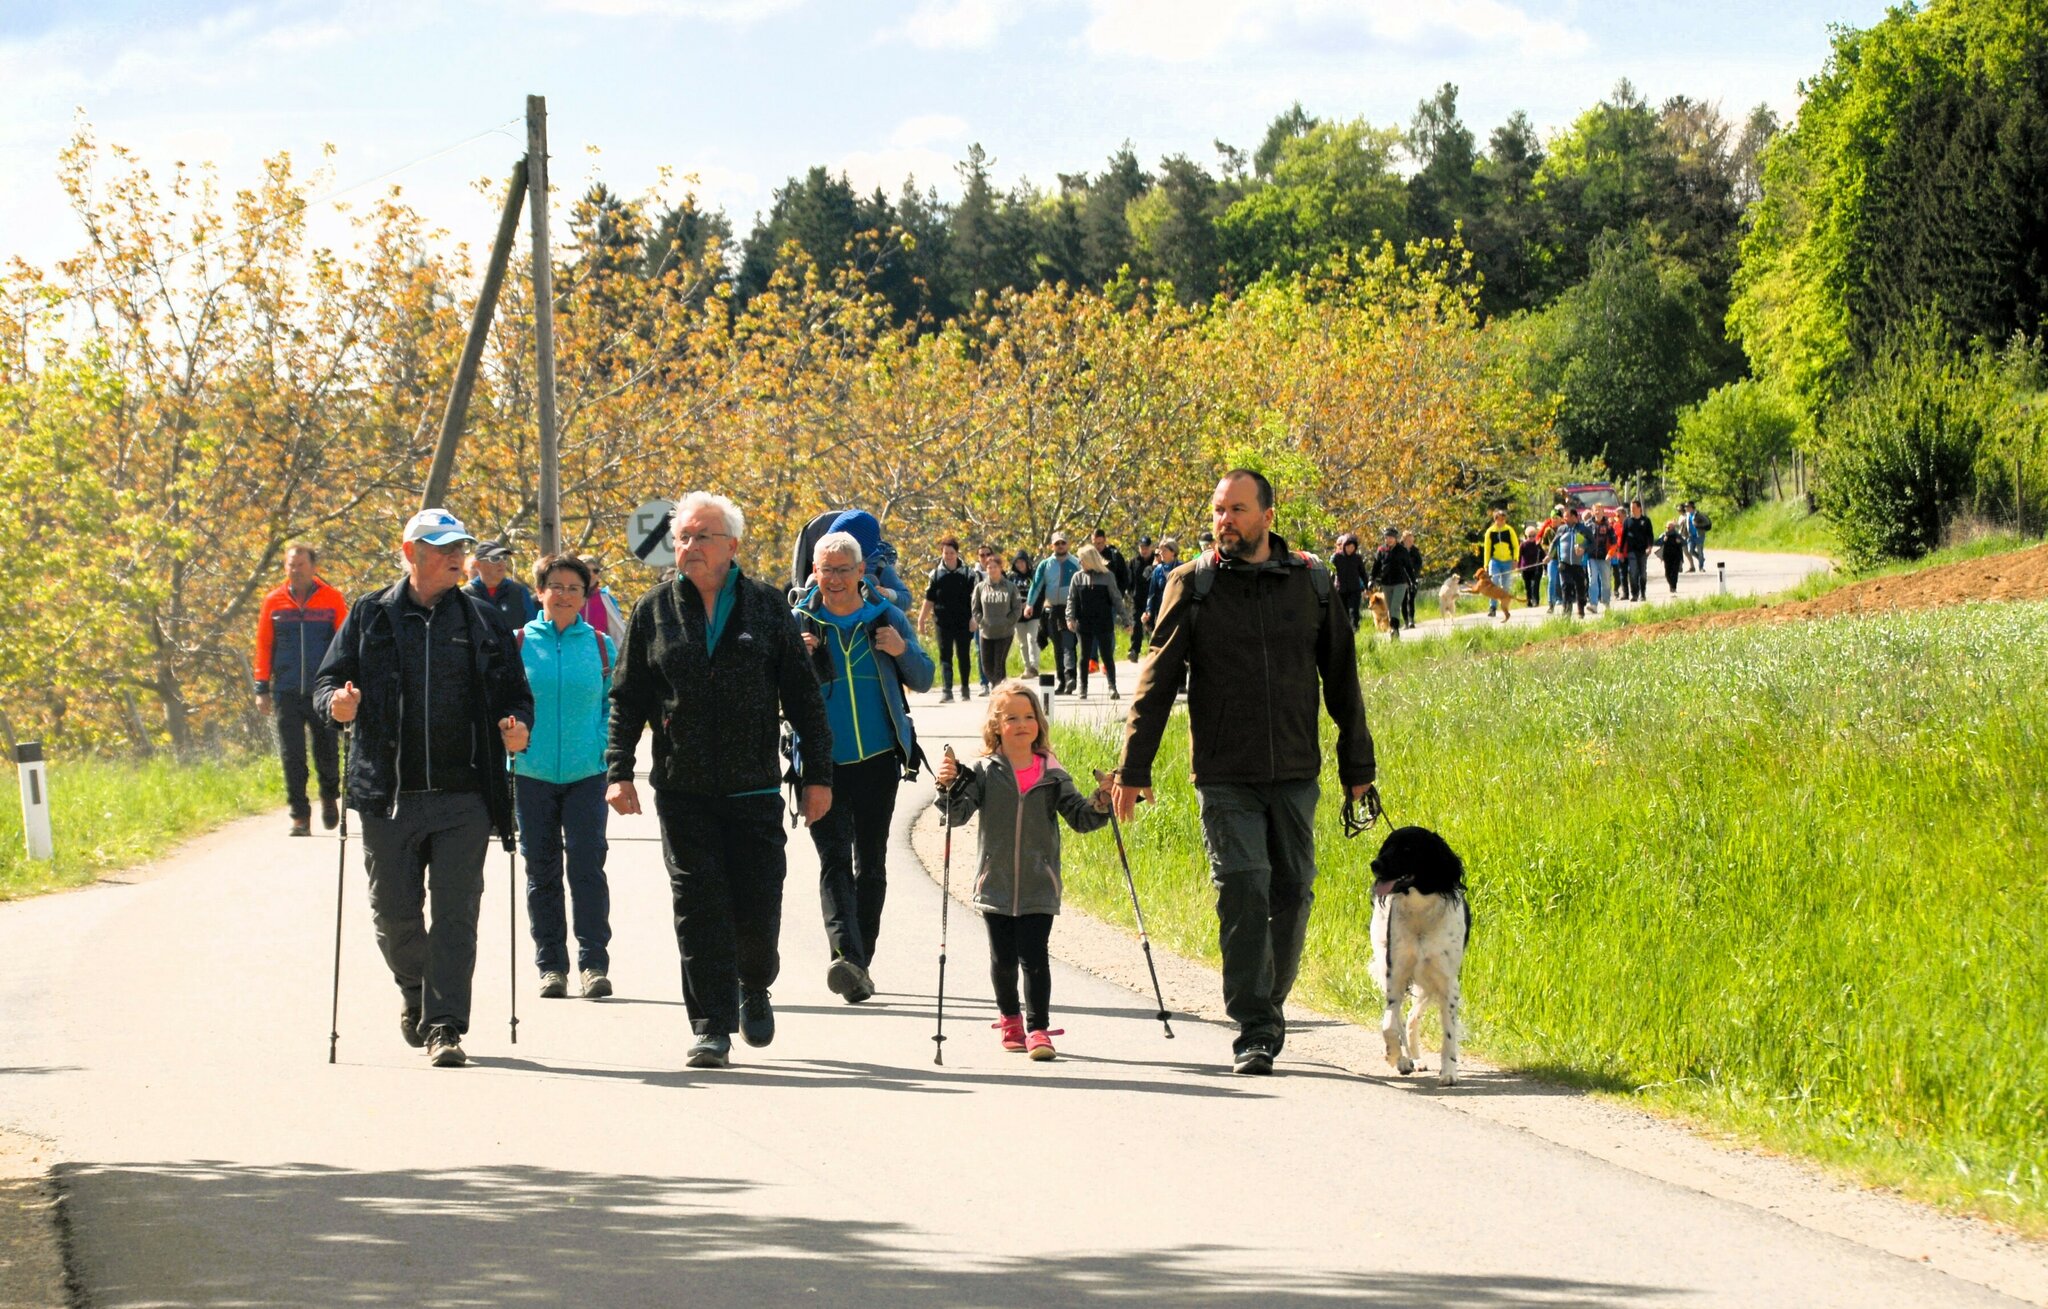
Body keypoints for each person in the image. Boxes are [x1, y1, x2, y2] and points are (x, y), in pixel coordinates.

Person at [1115, 469, 1375, 1076]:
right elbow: (1156, 682)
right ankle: (1254, 1026)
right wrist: (1134, 767)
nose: (1224, 520)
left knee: (1294, 892)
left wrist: (1357, 766)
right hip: (1224, 773)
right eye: (1218, 510)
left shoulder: (1311, 583)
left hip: (1295, 771)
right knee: (1243, 885)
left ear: (1267, 516)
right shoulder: (1193, 585)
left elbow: (1343, 680)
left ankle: (1269, 1004)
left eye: (1236, 509)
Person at [605, 492, 834, 1069]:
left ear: (731, 545)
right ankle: (710, 1027)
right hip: (681, 789)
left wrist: (818, 776)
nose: (689, 547)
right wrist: (618, 770)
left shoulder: (765, 607)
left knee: (757, 904)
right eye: (681, 537)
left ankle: (754, 982)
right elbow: (628, 697)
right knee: (697, 904)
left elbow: (804, 698)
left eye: (701, 536)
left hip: (753, 787)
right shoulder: (653, 610)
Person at [315, 508, 534, 1069]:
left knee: (457, 915)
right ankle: (416, 990)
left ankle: (444, 1025)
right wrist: (337, 705)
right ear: (410, 553)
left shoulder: (483, 620)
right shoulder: (370, 614)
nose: (458, 557)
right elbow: (326, 682)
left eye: (461, 547)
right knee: (394, 916)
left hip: (465, 796)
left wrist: (518, 727)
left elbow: (516, 693)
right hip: (388, 795)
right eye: (444, 548)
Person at [791, 530, 932, 1002]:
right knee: (833, 861)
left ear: (860, 572)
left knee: (870, 865)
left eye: (843, 570)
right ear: (814, 572)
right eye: (825, 570)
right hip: (821, 766)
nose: (834, 579)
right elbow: (772, 691)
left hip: (878, 761)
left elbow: (924, 677)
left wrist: (901, 649)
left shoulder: (886, 617)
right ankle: (845, 956)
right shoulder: (799, 623)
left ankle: (858, 962)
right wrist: (797, 661)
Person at [937, 680, 1111, 1061]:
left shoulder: (1052, 773)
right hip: (994, 884)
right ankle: (1010, 1019)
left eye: (1029, 716)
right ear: (996, 726)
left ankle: (1038, 1029)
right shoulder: (983, 771)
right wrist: (947, 787)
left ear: (1039, 723)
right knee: (1003, 960)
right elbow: (957, 815)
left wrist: (1102, 800)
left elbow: (1080, 817)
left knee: (1034, 957)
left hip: (1038, 884)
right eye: (1012, 718)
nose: (1021, 724)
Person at [516, 553, 617, 1002]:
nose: (564, 595)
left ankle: (594, 964)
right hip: (531, 773)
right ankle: (551, 966)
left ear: (585, 595)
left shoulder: (600, 646)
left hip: (587, 774)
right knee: (541, 872)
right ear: (539, 592)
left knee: (587, 868)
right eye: (555, 586)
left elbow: (614, 705)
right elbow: (502, 700)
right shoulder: (518, 643)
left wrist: (601, 745)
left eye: (574, 588)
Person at [253, 542, 348, 836]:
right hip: (286, 690)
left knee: (327, 752)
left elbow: (344, 643)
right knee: (292, 755)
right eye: (290, 565)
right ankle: (299, 816)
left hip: (323, 691)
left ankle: (329, 797)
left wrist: (346, 682)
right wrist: (261, 687)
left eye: (300, 565)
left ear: (313, 567)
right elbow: (264, 644)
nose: (295, 570)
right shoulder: (273, 601)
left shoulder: (332, 599)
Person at [919, 537, 977, 702]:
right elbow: (929, 599)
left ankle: (965, 688)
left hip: (964, 621)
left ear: (957, 553)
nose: (949, 556)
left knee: (963, 654)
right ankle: (947, 690)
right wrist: (921, 620)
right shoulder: (936, 575)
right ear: (942, 554)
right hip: (942, 622)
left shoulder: (968, 573)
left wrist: (975, 618)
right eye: (946, 553)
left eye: (952, 553)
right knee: (945, 655)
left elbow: (976, 599)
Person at [1066, 543, 1127, 699]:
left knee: (1107, 656)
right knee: (1084, 656)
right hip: (1083, 623)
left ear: (1090, 559)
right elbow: (1071, 599)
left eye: (1082, 559)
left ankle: (1112, 687)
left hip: (1103, 622)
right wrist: (1070, 617)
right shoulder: (1077, 577)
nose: (1080, 562)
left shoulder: (1108, 576)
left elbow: (1117, 599)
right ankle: (1083, 687)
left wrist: (1126, 621)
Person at [1024, 532, 1081, 694]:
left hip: (1070, 608)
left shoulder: (1076, 563)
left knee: (1068, 644)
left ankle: (1071, 677)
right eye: (1057, 543)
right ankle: (1062, 681)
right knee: (1058, 646)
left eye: (1063, 543)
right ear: (1052, 546)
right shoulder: (1045, 565)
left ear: (1068, 544)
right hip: (1052, 610)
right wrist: (1029, 604)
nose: (1060, 546)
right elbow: (1036, 585)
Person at [828, 510, 912, 607]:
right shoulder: (825, 561)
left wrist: (888, 594)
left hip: (869, 613)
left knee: (870, 580)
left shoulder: (880, 567)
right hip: (830, 608)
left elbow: (906, 597)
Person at [971, 548, 1022, 690]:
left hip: (1005, 632)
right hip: (986, 632)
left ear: (1001, 568)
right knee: (987, 667)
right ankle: (1001, 687)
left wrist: (1008, 622)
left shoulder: (1010, 587)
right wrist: (982, 622)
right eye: (989, 567)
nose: (992, 570)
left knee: (999, 665)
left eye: (995, 567)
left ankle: (998, 691)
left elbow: (1017, 608)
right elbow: (975, 609)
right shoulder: (980, 588)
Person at [467, 540, 538, 632]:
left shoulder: (519, 592)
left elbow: (532, 631)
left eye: (504, 558)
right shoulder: (466, 595)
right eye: (494, 558)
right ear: (477, 564)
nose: (501, 563)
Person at [1369, 528, 1415, 639]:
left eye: (1391, 537)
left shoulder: (1402, 550)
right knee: (1390, 608)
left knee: (1395, 606)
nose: (1388, 540)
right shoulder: (1381, 550)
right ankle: (1395, 630)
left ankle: (1394, 628)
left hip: (1400, 583)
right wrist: (1371, 579)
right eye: (1386, 537)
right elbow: (1376, 566)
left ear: (1395, 538)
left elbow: (1409, 567)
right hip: (1386, 583)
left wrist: (1413, 581)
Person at [1548, 506, 1592, 618]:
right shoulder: (1562, 529)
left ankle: (1581, 609)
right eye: (1564, 516)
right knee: (1566, 586)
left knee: (1580, 587)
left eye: (1566, 516)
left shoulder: (1583, 529)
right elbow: (1554, 543)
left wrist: (1584, 549)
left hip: (1578, 564)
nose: (1564, 519)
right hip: (1564, 563)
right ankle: (1567, 612)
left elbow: (1592, 543)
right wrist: (1549, 555)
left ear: (1574, 517)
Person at [1007, 550, 1042, 676]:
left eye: (1022, 561)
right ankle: (1027, 668)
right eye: (1017, 562)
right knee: (1023, 643)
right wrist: (1017, 606)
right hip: (1018, 614)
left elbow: (1039, 592)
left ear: (1027, 562)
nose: (1020, 564)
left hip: (1034, 612)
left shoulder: (1034, 575)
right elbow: (1009, 595)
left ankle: (1034, 666)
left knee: (1032, 639)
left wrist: (1029, 603)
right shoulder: (1011, 577)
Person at [1479, 509, 1517, 619]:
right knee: (1493, 582)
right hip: (1495, 560)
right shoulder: (1490, 532)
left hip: (1507, 561)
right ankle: (1492, 607)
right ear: (1495, 519)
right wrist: (1486, 564)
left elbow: (1515, 546)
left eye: (1503, 519)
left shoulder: (1509, 530)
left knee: (1506, 585)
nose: (1501, 521)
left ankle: (1505, 606)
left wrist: (1515, 559)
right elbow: (1487, 550)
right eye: (1499, 519)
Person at [1142, 537, 1180, 643]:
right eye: (1160, 550)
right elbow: (1152, 594)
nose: (1161, 553)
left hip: (1177, 611)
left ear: (1173, 552)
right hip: (1161, 611)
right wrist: (1149, 612)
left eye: (1164, 550)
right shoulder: (1157, 570)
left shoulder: (1181, 568)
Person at [1126, 537, 1157, 660]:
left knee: (1153, 624)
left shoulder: (1156, 560)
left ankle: (1153, 650)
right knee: (1136, 624)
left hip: (1153, 598)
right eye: (1141, 548)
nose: (1143, 550)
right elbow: (1129, 579)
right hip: (1137, 599)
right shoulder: (1134, 562)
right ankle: (1134, 650)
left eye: (1146, 548)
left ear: (1151, 547)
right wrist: (1130, 592)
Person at [581, 557, 626, 640]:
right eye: (587, 570)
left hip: (599, 647)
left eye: (595, 571)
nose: (591, 574)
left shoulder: (605, 599)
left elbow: (618, 634)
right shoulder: (570, 597)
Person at [1329, 533, 1367, 630]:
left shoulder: (1357, 558)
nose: (1350, 549)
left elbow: (1363, 573)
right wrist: (1331, 588)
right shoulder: (1336, 557)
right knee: (1343, 613)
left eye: (1352, 547)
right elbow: (1331, 573)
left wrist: (1366, 587)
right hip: (1341, 590)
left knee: (1353, 611)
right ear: (1344, 546)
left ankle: (1355, 629)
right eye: (1348, 547)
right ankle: (1345, 632)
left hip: (1355, 589)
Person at [1622, 500, 1654, 602]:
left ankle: (1643, 593)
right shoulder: (1627, 521)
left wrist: (1649, 547)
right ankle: (1634, 594)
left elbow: (1650, 535)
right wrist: (1621, 551)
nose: (1632, 510)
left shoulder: (1646, 520)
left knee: (1642, 573)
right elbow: (1623, 537)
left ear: (1639, 508)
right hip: (1631, 551)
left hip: (1643, 551)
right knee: (1632, 573)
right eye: (1631, 508)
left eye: (1634, 508)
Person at [1586, 510, 1615, 614]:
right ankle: (1593, 604)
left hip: (1605, 557)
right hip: (1592, 557)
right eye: (1596, 511)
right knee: (1592, 580)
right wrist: (1579, 546)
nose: (1597, 513)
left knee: (1606, 581)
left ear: (1603, 513)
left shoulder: (1608, 525)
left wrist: (1610, 553)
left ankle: (1606, 603)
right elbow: (1581, 537)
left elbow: (1614, 542)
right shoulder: (1588, 525)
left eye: (1600, 511)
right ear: (1593, 512)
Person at [1539, 503, 1565, 612]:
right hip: (1552, 559)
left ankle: (1565, 601)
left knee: (1563, 581)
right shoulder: (1548, 530)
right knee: (1552, 580)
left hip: (1563, 559)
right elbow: (1543, 543)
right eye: (1553, 518)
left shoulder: (1565, 529)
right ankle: (1551, 603)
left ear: (1561, 519)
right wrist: (1547, 549)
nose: (1554, 520)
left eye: (1556, 518)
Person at [1658, 519, 1688, 594]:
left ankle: (1673, 587)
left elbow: (1685, 542)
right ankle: (1671, 585)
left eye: (1669, 527)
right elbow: (1657, 542)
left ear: (1673, 528)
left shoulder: (1677, 535)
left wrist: (1679, 541)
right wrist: (1663, 540)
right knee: (1667, 573)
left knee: (1675, 572)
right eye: (1667, 527)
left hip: (1676, 556)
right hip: (1667, 556)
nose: (1668, 529)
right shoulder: (1664, 535)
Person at [1518, 527, 1544, 608]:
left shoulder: (1538, 545)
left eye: (1533, 536)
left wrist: (1544, 565)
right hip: (1526, 569)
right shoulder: (1523, 545)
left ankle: (1535, 601)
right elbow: (1519, 556)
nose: (1532, 538)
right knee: (1527, 586)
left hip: (1536, 568)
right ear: (1526, 536)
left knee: (1535, 585)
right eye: (1530, 536)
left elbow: (1543, 555)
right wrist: (1518, 566)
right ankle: (1529, 601)